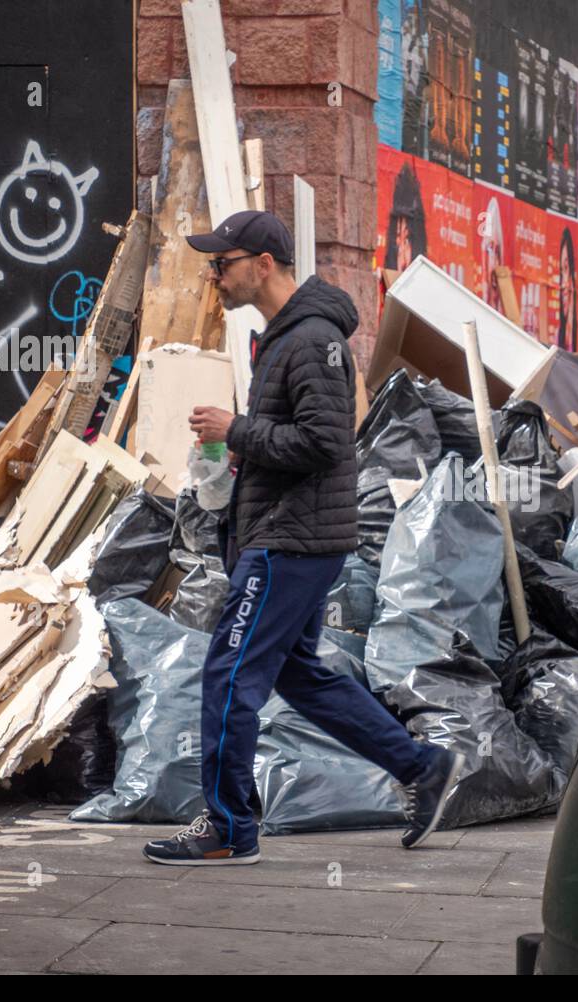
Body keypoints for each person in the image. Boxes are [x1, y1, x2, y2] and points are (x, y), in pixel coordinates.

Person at [143, 210, 464, 865]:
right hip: (290, 533)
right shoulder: (285, 337)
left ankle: (229, 827)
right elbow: (299, 440)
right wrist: (243, 454)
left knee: (228, 675)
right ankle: (422, 765)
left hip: (290, 541)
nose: (214, 277)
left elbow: (324, 443)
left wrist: (237, 429)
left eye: (222, 263)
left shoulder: (312, 339)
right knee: (301, 676)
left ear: (264, 263)